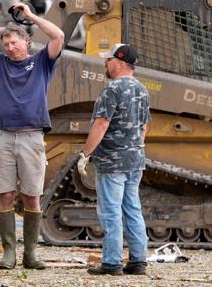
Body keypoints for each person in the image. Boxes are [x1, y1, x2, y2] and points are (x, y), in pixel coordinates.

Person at [0, 2, 65, 271]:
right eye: (6, 44)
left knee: (31, 196)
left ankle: (31, 254)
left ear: (27, 41)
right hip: (3, 137)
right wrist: (4, 28)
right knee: (4, 194)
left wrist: (30, 17)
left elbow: (58, 36)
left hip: (31, 137)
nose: (10, 48)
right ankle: (9, 253)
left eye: (14, 42)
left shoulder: (42, 62)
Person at [79, 43, 151, 276]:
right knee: (132, 209)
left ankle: (111, 263)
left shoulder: (111, 90)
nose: (106, 63)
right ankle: (138, 261)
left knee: (111, 212)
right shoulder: (142, 90)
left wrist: (86, 154)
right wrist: (133, 148)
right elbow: (144, 126)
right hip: (135, 160)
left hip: (112, 161)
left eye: (108, 60)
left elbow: (101, 124)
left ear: (119, 63)